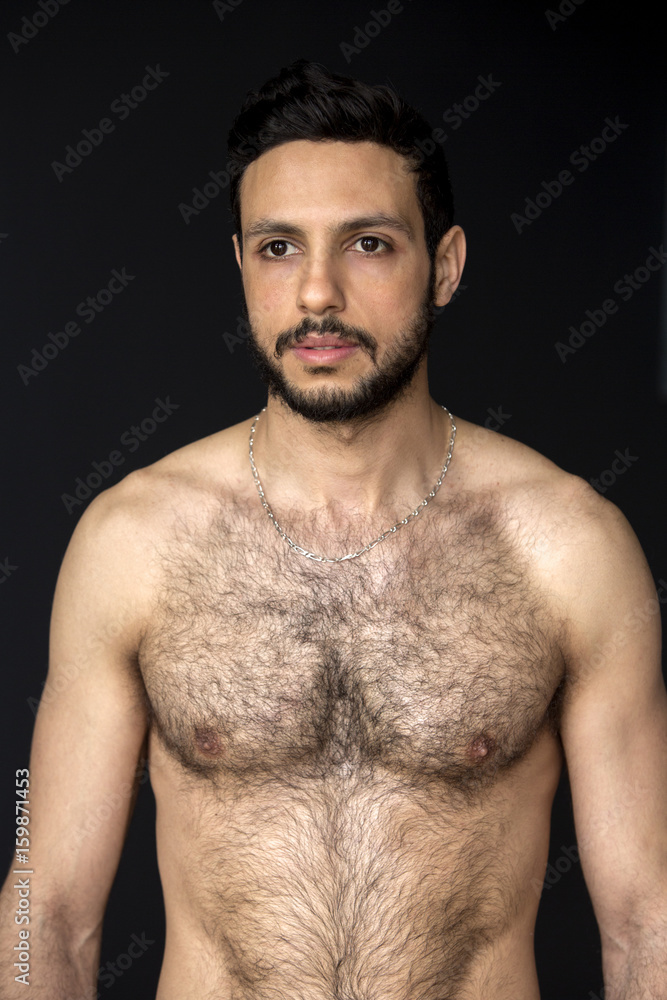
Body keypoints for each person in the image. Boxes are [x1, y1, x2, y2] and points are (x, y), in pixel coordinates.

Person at [1, 58, 666, 1000]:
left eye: (366, 245)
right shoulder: (133, 541)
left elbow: (650, 926)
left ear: (444, 265)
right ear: (240, 266)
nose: (316, 295)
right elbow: (44, 914)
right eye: (278, 248)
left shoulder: (567, 547)